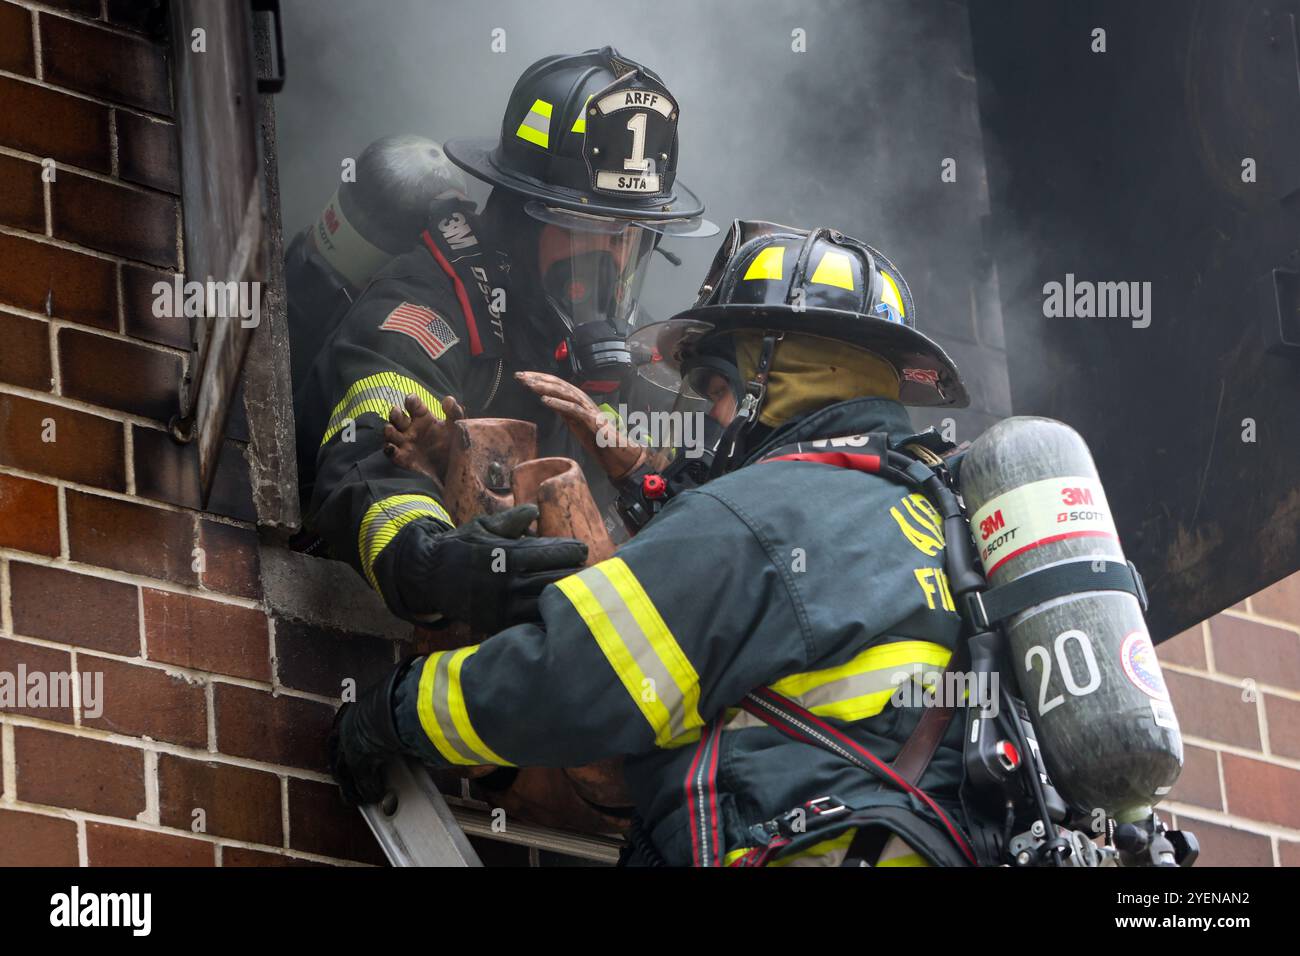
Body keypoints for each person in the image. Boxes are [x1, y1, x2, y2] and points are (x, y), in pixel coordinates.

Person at [332, 220, 986, 867]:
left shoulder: (766, 512)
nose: (713, 418)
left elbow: (578, 674)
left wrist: (394, 713)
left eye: (721, 390)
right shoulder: (949, 514)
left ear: (773, 377)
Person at [292, 47, 713, 632]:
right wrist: (430, 562)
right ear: (521, 221)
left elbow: (668, 492)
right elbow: (370, 456)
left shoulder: (621, 350)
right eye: (590, 228)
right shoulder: (423, 307)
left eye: (632, 236)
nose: (613, 260)